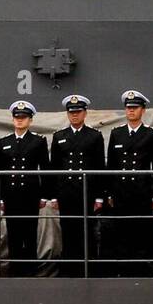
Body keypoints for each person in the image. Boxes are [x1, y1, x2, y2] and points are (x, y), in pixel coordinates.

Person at [104, 91, 153, 277]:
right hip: (121, 191)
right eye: (128, 108)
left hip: (142, 191)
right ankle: (123, 267)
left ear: (142, 110)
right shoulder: (117, 133)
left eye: (135, 108)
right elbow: (111, 165)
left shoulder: (151, 135)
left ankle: (140, 268)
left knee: (141, 229)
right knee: (120, 229)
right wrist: (109, 193)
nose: (131, 111)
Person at [49, 94, 105, 277]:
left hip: (86, 191)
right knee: (68, 229)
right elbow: (55, 167)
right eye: (71, 112)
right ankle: (69, 268)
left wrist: (99, 197)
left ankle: (87, 268)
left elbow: (99, 167)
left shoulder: (94, 136)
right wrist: (54, 195)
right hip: (66, 192)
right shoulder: (59, 136)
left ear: (85, 113)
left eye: (78, 112)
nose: (74, 115)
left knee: (87, 230)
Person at [0, 100, 48, 277]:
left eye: (23, 117)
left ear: (30, 120)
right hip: (11, 195)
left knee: (29, 234)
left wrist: (44, 196)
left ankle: (30, 271)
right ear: (13, 120)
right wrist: (0, 198)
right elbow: (0, 172)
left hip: (30, 195)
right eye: (17, 117)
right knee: (13, 234)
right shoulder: (4, 142)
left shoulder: (37, 141)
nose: (19, 120)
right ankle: (15, 271)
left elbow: (45, 169)